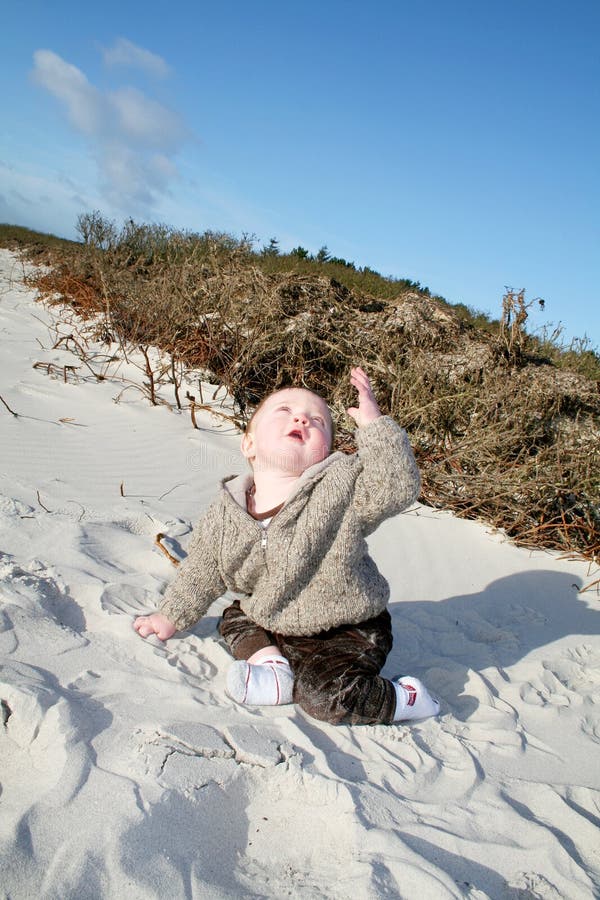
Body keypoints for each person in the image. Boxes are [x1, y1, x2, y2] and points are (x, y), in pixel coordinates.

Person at [134, 366, 440, 726]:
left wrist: (374, 427)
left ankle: (407, 699)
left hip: (348, 628)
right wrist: (170, 616)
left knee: (323, 696)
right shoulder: (227, 509)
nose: (302, 419)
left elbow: (396, 487)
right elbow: (203, 569)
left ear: (326, 452)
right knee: (234, 617)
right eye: (285, 411)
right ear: (248, 443)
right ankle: (272, 667)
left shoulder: (343, 487)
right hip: (275, 616)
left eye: (318, 421)